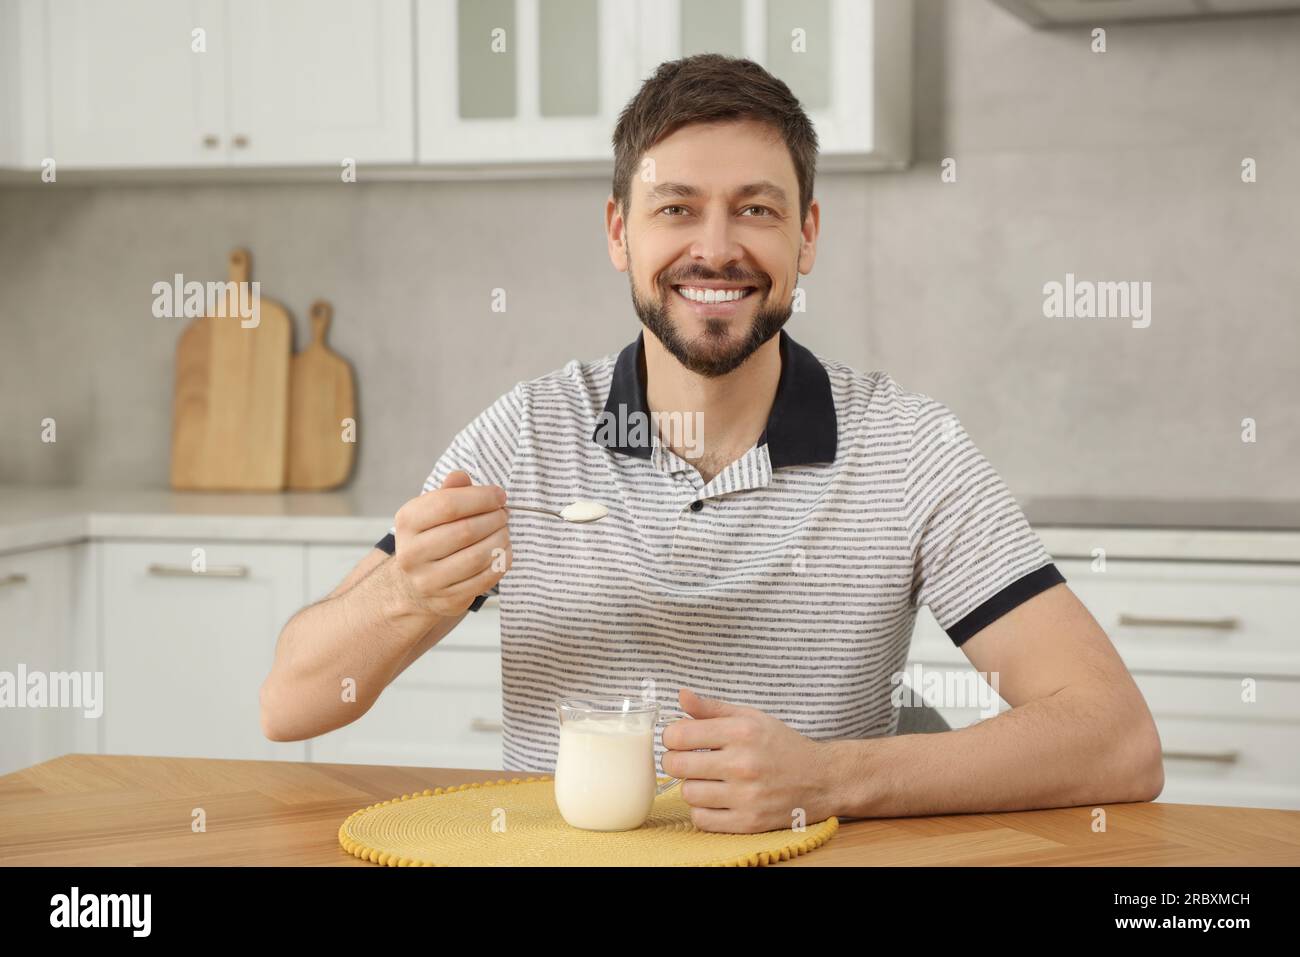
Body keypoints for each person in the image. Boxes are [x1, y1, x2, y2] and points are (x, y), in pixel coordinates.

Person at [260, 54, 1163, 834]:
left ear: (807, 236)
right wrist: (405, 595)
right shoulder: (527, 436)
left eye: (758, 211)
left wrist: (834, 779)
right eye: (677, 208)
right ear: (621, 233)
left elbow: (1115, 737)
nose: (717, 249)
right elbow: (291, 704)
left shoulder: (908, 448)